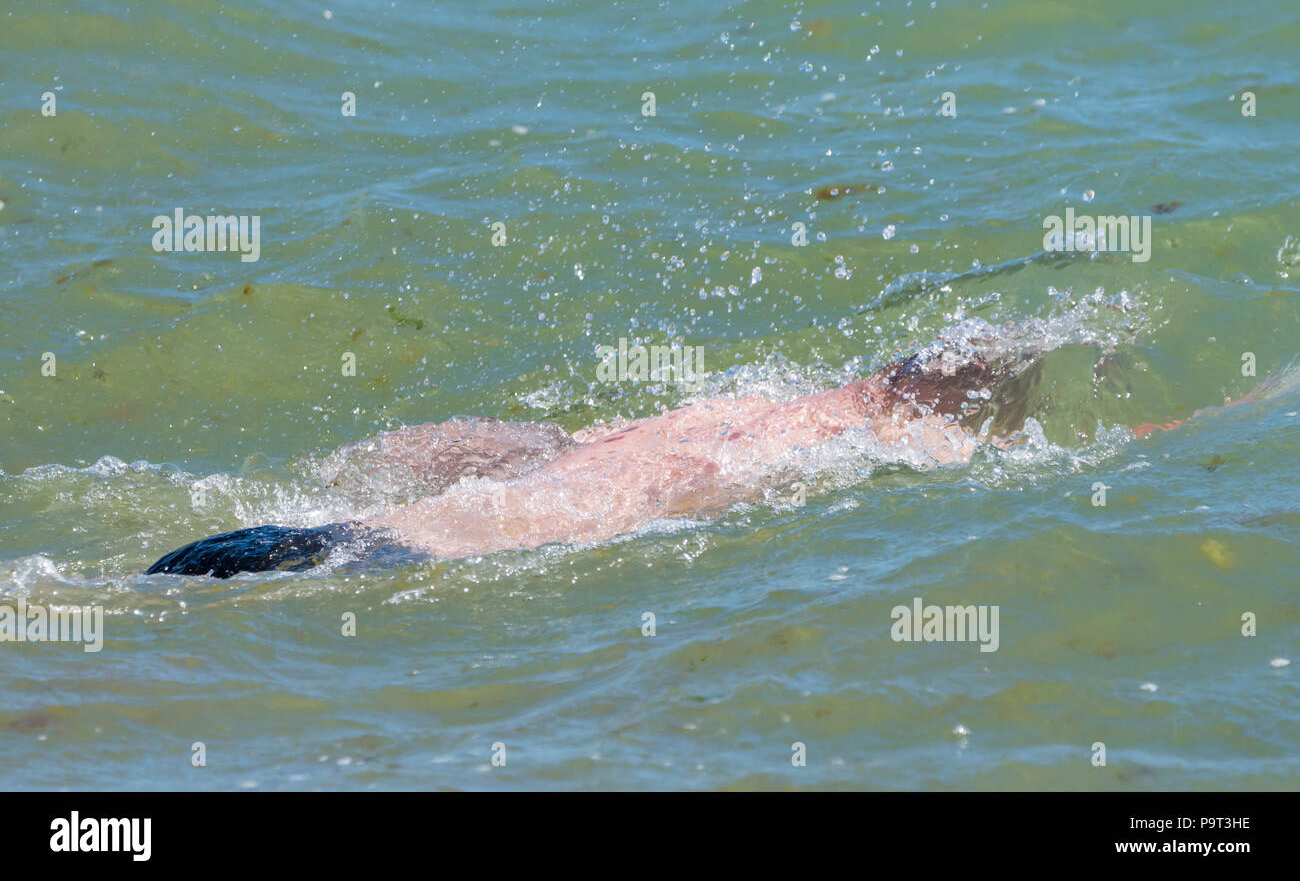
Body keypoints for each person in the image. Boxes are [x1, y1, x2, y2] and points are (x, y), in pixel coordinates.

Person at [145, 328, 1270, 578]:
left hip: (348, 528)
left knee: (121, 603)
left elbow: (502, 442)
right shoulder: (891, 448)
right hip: (402, 563)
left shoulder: (733, 402)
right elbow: (1103, 461)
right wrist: (1260, 401)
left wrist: (361, 460)